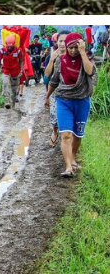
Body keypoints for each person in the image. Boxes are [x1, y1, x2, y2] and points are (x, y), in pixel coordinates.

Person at [45, 32, 97, 178]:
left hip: (82, 101)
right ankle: (68, 167)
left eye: (76, 47)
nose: (73, 51)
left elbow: (90, 71)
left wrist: (83, 52)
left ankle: (73, 158)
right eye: (70, 47)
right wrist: (47, 96)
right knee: (66, 134)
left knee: (78, 134)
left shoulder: (86, 59)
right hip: (64, 100)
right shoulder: (61, 61)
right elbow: (54, 80)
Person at [0, 34, 23, 110]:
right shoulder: (2, 51)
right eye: (8, 46)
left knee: (14, 88)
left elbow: (21, 61)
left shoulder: (18, 51)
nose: (9, 48)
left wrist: (21, 70)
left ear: (14, 44)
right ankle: (7, 101)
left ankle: (13, 105)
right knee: (5, 84)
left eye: (11, 46)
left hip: (15, 71)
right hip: (6, 70)